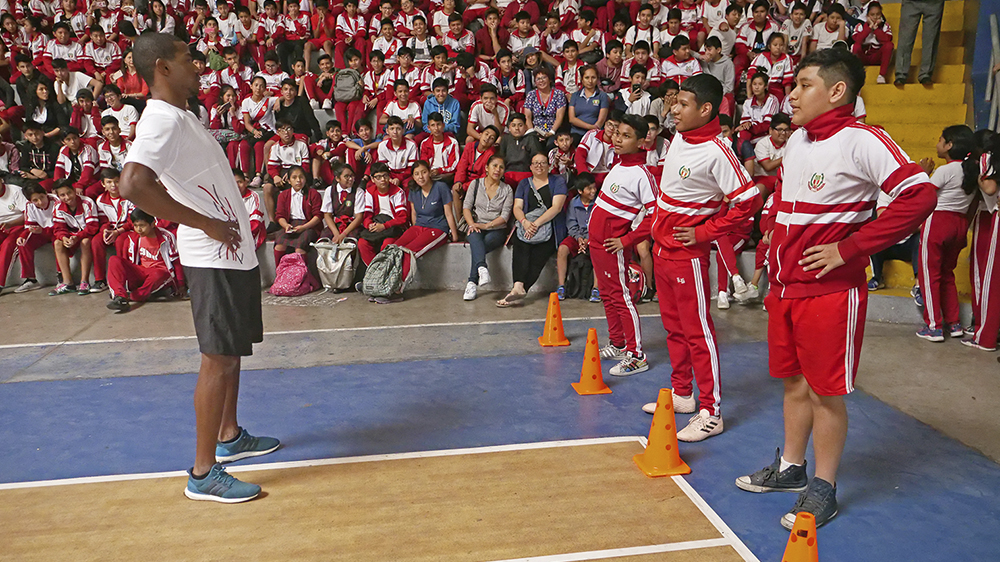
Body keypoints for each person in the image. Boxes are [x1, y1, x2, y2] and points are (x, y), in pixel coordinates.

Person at [736, 48, 936, 530]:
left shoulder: (863, 139)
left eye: (804, 84)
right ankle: (791, 470)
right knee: (793, 381)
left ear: (837, 90)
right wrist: (768, 256)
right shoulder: (800, 141)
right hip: (785, 288)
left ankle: (823, 487)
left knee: (826, 391)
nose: (793, 94)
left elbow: (920, 194)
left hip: (830, 292)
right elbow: (784, 203)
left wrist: (851, 250)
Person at [120, 33, 276, 503]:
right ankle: (204, 472)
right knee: (217, 357)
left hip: (232, 253)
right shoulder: (162, 119)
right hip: (212, 257)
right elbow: (132, 184)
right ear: (162, 68)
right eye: (188, 59)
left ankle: (229, 434)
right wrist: (206, 223)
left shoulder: (183, 115)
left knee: (232, 350)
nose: (199, 66)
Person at [646, 74, 761, 444]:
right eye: (673, 102)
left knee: (698, 332)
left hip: (687, 257)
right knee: (673, 328)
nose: (673, 109)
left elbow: (748, 202)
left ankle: (711, 411)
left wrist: (705, 233)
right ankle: (683, 394)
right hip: (662, 251)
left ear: (705, 109)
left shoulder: (718, 150)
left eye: (682, 103)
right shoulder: (680, 136)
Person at [588, 115, 658, 375]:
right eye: (617, 132)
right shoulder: (618, 164)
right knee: (607, 295)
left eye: (626, 136)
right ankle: (618, 344)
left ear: (642, 142)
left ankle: (637, 355)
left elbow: (655, 216)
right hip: (597, 244)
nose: (617, 138)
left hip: (612, 246)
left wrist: (626, 240)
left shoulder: (642, 175)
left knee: (621, 297)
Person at [913, 125, 975, 341]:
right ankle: (954, 322)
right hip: (959, 224)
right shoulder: (971, 170)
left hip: (938, 221)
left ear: (949, 145)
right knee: (947, 274)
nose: (937, 143)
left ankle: (934, 326)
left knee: (929, 275)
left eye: (941, 140)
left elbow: (923, 196)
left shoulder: (945, 170)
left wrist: (922, 173)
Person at [497, 152, 567, 307]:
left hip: (550, 227)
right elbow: (517, 207)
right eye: (535, 163)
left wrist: (535, 225)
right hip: (526, 225)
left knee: (539, 253)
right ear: (530, 167)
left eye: (542, 163)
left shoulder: (558, 181)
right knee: (520, 246)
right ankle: (517, 286)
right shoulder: (524, 183)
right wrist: (524, 222)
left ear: (549, 166)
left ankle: (522, 288)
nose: (539, 166)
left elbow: (556, 207)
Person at [106, 207, 184, 312]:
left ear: (152, 224)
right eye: (136, 226)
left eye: (142, 225)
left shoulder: (166, 237)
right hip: (142, 272)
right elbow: (127, 264)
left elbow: (176, 262)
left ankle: (134, 296)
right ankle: (120, 297)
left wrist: (181, 284)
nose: (139, 229)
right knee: (114, 260)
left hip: (160, 274)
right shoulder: (133, 238)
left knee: (159, 274)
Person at [965, 134, 1000, 352]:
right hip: (989, 214)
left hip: (995, 216)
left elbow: (989, 189)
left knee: (989, 281)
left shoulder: (987, 157)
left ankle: (985, 336)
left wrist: (977, 177)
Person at [462, 154, 513, 301]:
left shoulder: (507, 190)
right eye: (494, 166)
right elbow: (466, 207)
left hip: (497, 229)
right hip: (475, 225)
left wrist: (485, 225)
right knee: (474, 237)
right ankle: (482, 269)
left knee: (480, 246)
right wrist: (472, 224)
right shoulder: (475, 184)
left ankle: (472, 281)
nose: (498, 169)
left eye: (501, 167)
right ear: (486, 168)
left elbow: (504, 217)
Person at [48, 180, 99, 295]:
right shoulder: (57, 206)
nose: (67, 197)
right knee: (57, 243)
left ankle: (84, 281)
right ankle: (68, 282)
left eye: (69, 193)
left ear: (74, 190)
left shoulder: (87, 202)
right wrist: (64, 237)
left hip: (87, 235)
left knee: (85, 242)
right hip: (71, 235)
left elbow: (92, 227)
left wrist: (77, 237)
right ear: (58, 196)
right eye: (62, 195)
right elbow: (58, 228)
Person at [556, 173, 596, 300]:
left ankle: (596, 289)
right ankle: (561, 286)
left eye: (594, 187)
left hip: (593, 237)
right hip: (576, 237)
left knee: (598, 252)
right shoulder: (573, 203)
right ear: (580, 191)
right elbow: (571, 223)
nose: (593, 191)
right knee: (562, 249)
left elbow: (599, 224)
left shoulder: (599, 203)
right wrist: (579, 238)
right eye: (589, 188)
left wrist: (588, 238)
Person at [12, 183, 59, 294]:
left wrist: (42, 231)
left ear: (46, 193)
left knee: (57, 241)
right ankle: (31, 279)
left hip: (58, 231)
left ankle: (61, 275)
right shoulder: (29, 206)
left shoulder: (56, 202)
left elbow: (60, 226)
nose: (40, 202)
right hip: (42, 232)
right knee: (24, 243)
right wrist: (22, 236)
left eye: (42, 197)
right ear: (30, 201)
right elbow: (29, 226)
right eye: (35, 200)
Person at [273, 165, 323, 268]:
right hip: (290, 224)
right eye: (294, 177)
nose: (298, 180)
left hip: (309, 226)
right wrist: (286, 225)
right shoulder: (283, 195)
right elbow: (280, 215)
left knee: (299, 247)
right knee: (279, 245)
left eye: (301, 177)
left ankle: (303, 275)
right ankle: (280, 273)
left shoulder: (313, 194)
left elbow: (318, 216)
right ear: (289, 181)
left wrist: (304, 227)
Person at [893, 0, 944, 85]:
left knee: (930, 37)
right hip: (911, 3)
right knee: (905, 37)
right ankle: (901, 74)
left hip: (935, 3)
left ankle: (925, 74)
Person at [851, 1, 892, 84]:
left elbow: (887, 40)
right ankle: (855, 75)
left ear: (881, 15)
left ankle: (882, 75)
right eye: (872, 15)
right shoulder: (860, 26)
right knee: (856, 46)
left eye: (878, 14)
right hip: (864, 57)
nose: (875, 17)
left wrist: (876, 30)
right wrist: (869, 28)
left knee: (889, 45)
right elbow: (857, 40)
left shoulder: (885, 26)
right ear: (867, 16)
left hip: (877, 56)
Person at [567, 65, 610, 139]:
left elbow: (601, 121)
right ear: (582, 79)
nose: (590, 81)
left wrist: (593, 130)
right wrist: (590, 127)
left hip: (595, 133)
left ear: (597, 79)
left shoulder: (602, 96)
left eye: (593, 77)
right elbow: (572, 119)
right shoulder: (575, 95)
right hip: (576, 133)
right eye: (587, 78)